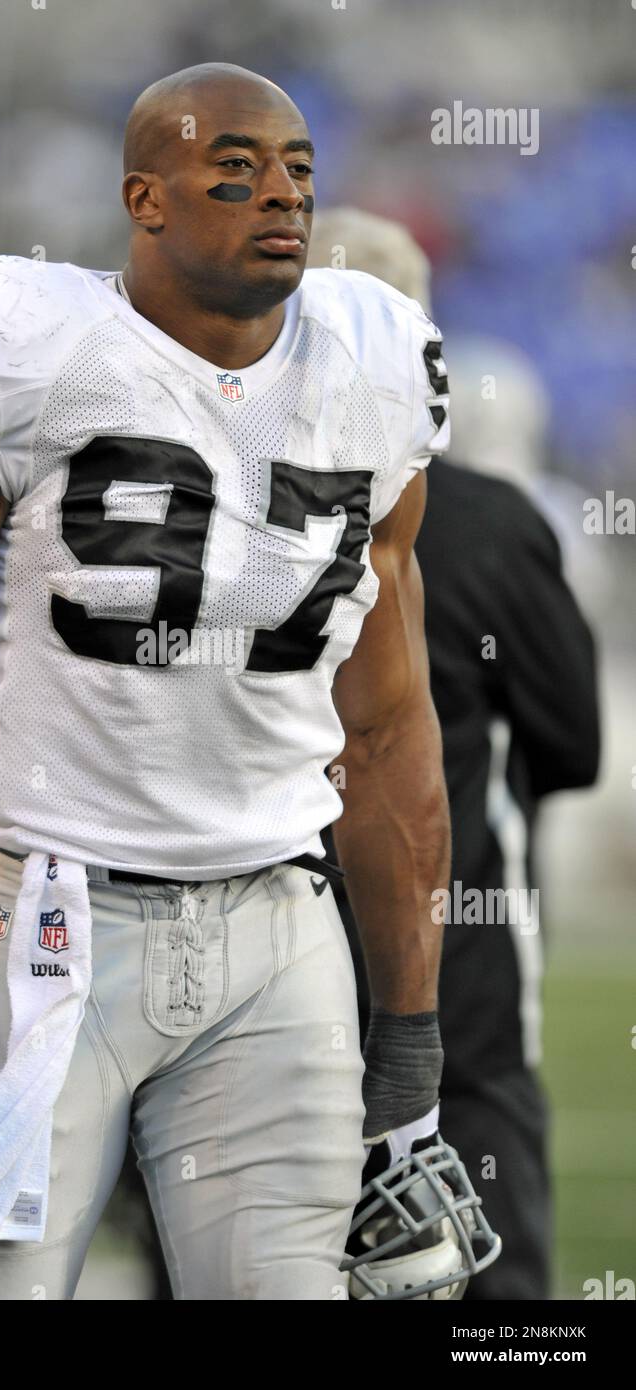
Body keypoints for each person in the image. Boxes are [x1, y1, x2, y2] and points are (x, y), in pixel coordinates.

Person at [0, 63, 493, 1301]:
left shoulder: (373, 364)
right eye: (236, 169)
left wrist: (411, 1025)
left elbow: (382, 726)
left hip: (277, 923)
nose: (280, 194)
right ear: (143, 198)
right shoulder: (33, 347)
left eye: (299, 170)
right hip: (46, 918)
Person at [308, 207, 601, 1299]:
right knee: (484, 1268)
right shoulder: (482, 519)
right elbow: (571, 741)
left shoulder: (225, 503)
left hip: (252, 956)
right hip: (452, 968)